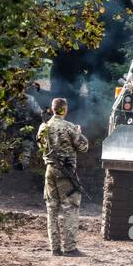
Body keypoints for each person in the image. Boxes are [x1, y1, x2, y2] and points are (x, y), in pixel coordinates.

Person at [36, 97, 90, 256]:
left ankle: (55, 248)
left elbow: (40, 146)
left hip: (50, 171)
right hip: (66, 173)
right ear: (64, 109)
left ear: (53, 109)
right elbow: (84, 147)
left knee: (51, 209)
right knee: (70, 208)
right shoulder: (69, 127)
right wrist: (79, 133)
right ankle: (69, 248)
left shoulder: (43, 127)